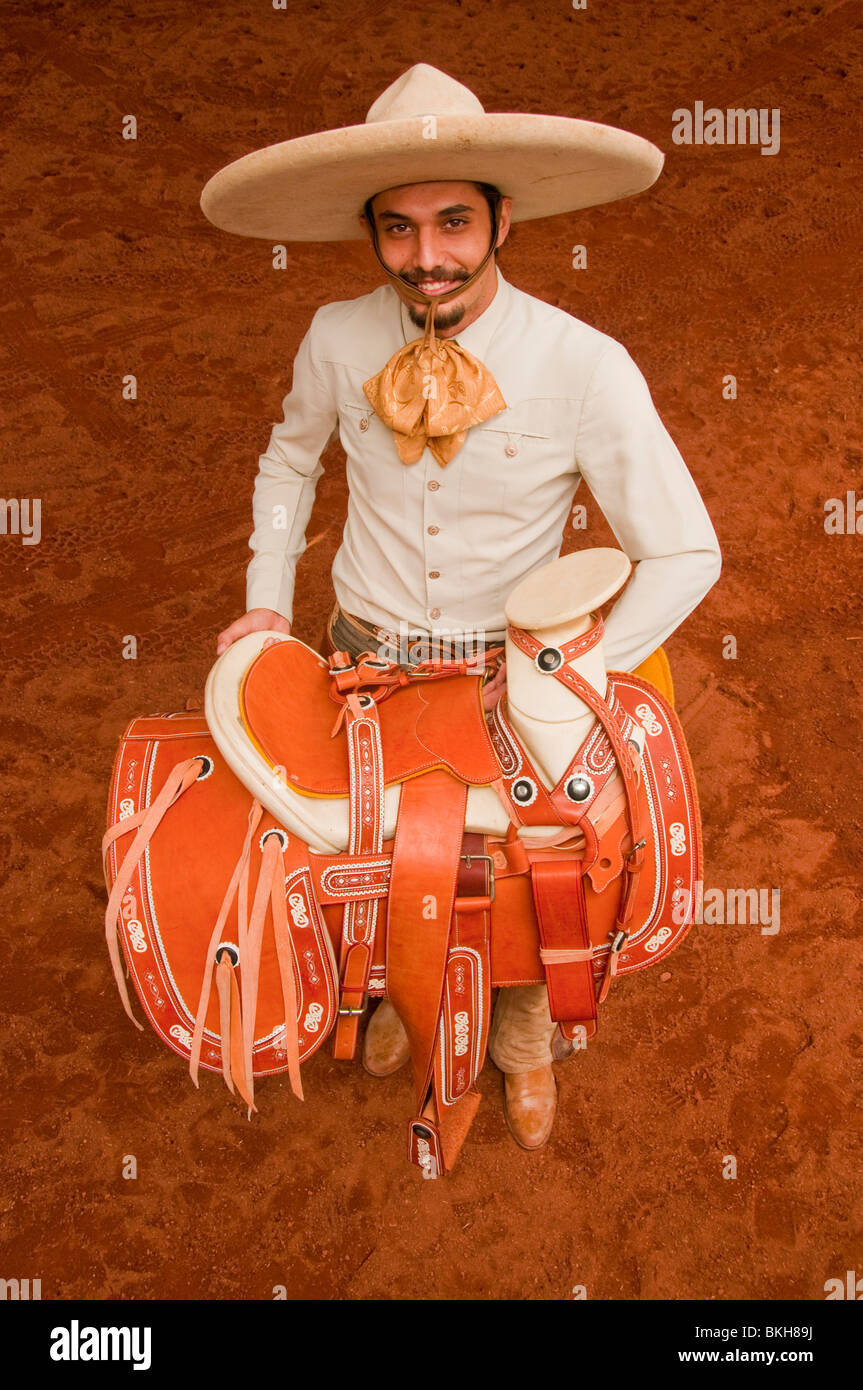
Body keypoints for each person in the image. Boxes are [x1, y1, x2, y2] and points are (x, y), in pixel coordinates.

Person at [202, 64, 721, 1150]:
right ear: (371, 233)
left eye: (450, 221)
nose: (424, 255)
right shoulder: (335, 337)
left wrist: (566, 678)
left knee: (536, 874)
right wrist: (262, 604)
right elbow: (287, 463)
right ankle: (400, 995)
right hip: (363, 657)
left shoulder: (583, 364)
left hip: (508, 675)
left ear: (502, 217)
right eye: (396, 229)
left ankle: (523, 1041)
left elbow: (682, 549)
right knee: (367, 853)